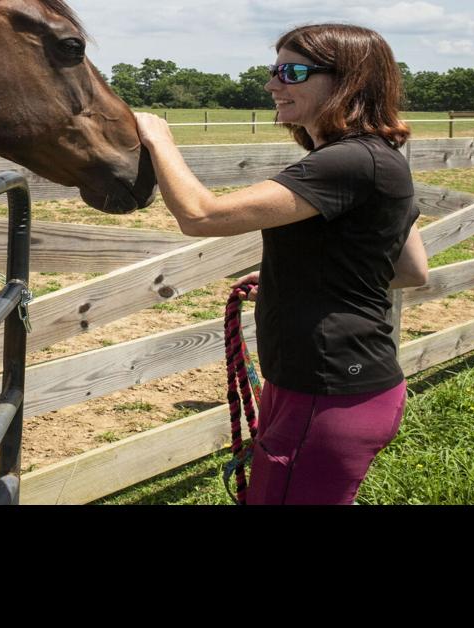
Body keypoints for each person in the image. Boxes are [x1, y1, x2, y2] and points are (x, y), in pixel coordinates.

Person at [133, 23, 429, 505]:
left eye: (291, 72)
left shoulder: (346, 161)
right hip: (339, 386)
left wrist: (158, 138)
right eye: (273, 71)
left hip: (325, 388)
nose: (273, 85)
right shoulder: (378, 155)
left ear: (347, 81)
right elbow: (411, 269)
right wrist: (295, 276)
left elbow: (202, 215)